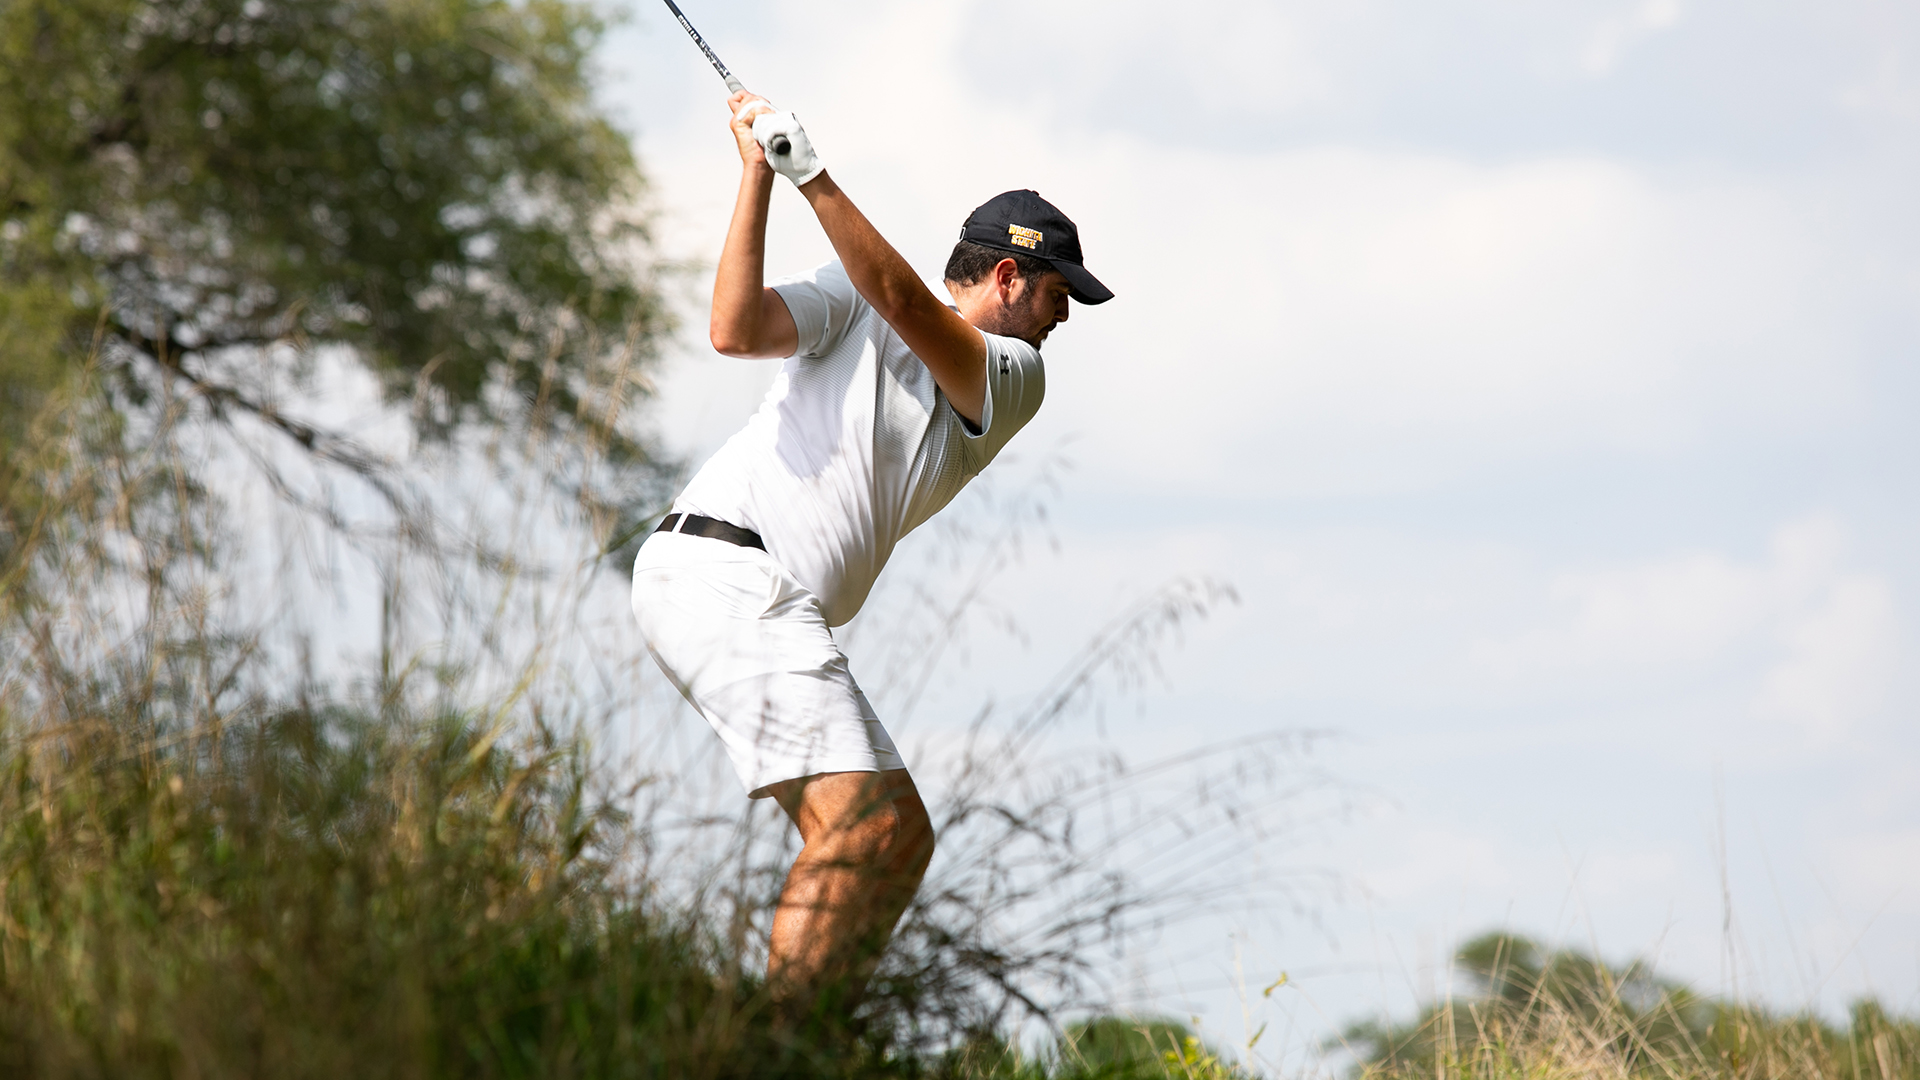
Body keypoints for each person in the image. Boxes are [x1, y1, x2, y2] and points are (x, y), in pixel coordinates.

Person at [629, 89, 1113, 1021]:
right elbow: (735, 329)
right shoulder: (854, 294)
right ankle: (770, 1048)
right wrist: (762, 182)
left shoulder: (1014, 376)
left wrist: (813, 178)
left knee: (897, 839)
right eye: (1060, 294)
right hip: (721, 572)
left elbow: (900, 302)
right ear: (1010, 276)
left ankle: (794, 1038)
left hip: (739, 588)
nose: (1064, 318)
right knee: (864, 825)